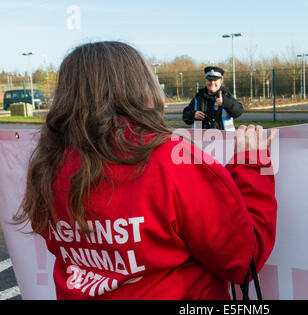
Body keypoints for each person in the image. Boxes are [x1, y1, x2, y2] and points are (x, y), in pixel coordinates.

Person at [13, 41, 278, 300]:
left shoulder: (48, 165)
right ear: (142, 88)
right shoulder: (169, 159)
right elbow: (243, 258)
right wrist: (251, 164)